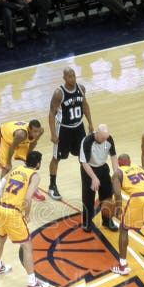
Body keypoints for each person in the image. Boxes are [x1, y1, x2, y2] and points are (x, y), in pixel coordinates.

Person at [0, 151, 50, 287]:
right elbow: (28, 198)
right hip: (13, 213)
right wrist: (27, 214)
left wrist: (4, 199)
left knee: (1, 237)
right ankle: (32, 283)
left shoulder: (16, 169)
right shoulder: (35, 176)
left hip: (0, 208)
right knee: (27, 246)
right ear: (38, 163)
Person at [109, 154, 144, 275]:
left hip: (138, 198)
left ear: (119, 163)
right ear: (130, 161)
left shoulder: (117, 173)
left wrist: (118, 208)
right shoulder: (140, 167)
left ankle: (123, 265)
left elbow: (117, 193)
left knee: (123, 229)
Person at [48, 67, 94, 201]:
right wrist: (53, 134)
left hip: (78, 127)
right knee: (57, 157)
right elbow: (52, 113)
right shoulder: (59, 93)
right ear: (64, 78)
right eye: (69, 76)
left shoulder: (81, 88)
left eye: (73, 75)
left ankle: (88, 180)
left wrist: (90, 123)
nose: (72, 78)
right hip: (63, 129)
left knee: (83, 156)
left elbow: (85, 106)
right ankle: (52, 185)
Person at [79, 124, 119, 232]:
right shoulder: (87, 141)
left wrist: (116, 173)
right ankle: (87, 222)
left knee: (107, 196)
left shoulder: (108, 139)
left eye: (105, 138)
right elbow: (84, 162)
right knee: (88, 198)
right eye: (102, 138)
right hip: (89, 169)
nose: (103, 140)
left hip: (102, 168)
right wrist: (94, 177)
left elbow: (114, 156)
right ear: (96, 133)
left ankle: (107, 221)